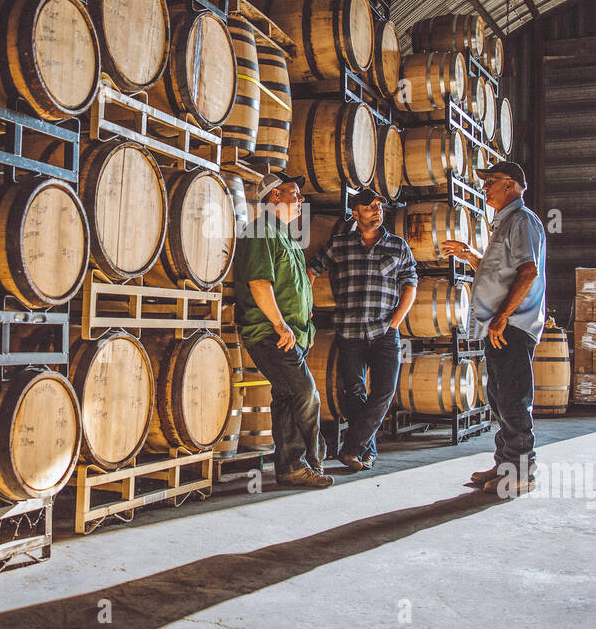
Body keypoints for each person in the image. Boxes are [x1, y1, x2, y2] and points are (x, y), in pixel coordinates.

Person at [440, 161, 546, 495]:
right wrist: (472, 256)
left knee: (514, 398)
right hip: (500, 326)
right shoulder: (503, 223)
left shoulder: (521, 221)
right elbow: (501, 271)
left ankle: (521, 471)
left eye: (491, 182)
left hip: (512, 325)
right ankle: (505, 463)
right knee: (499, 397)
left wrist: (502, 316)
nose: (484, 188)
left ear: (512, 185)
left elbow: (528, 272)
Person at [232, 171, 332, 489]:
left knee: (288, 398)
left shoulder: (285, 235)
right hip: (270, 333)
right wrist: (280, 324)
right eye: (294, 194)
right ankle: (316, 456)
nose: (301, 201)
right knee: (306, 393)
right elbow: (259, 283)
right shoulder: (260, 231)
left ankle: (291, 467)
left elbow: (296, 285)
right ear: (274, 196)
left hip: (292, 334)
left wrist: (306, 324)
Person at [307, 189, 417, 472]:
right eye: (369, 206)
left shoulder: (398, 246)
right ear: (355, 214)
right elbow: (312, 270)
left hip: (385, 332)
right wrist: (305, 304)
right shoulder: (339, 244)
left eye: (379, 205)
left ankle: (351, 448)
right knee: (354, 392)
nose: (377, 209)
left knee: (384, 391)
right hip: (349, 330)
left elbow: (410, 285)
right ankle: (364, 453)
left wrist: (395, 322)